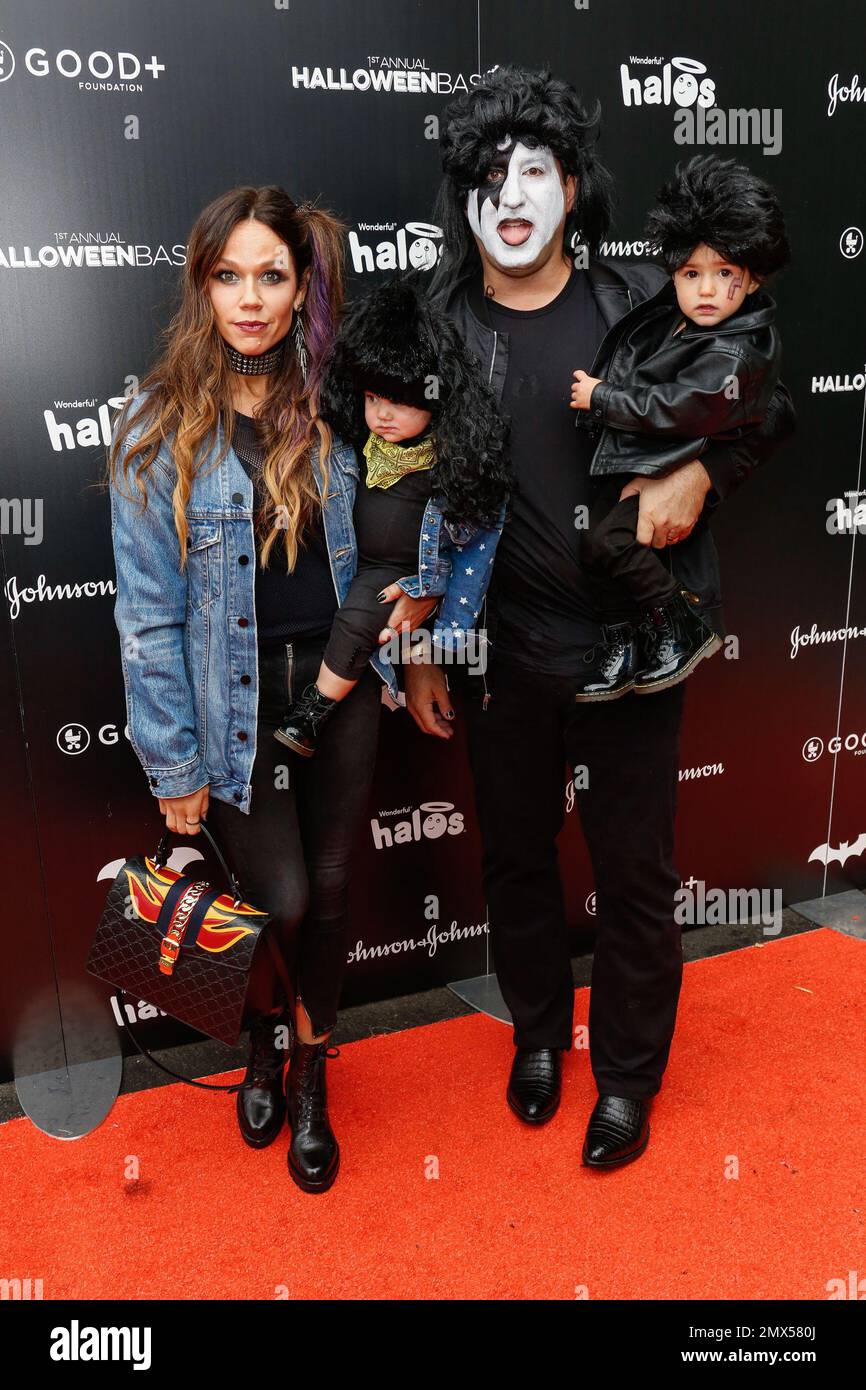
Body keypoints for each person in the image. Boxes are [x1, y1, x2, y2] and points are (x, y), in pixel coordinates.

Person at [406, 65, 795, 1168]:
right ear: (465, 198)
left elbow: (760, 406)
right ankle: (537, 1037)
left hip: (633, 649)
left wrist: (701, 480)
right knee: (517, 862)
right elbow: (411, 484)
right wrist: (432, 642)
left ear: (572, 188)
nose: (514, 194)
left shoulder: (640, 299)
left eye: (536, 171)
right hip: (500, 652)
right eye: (491, 175)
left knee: (633, 877)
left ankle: (624, 1076)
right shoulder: (435, 321)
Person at [106, 186, 436, 1193]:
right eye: (228, 275)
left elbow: (412, 524)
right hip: (229, 705)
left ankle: (305, 1067)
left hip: (337, 688)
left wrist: (419, 626)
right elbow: (147, 615)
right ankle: (259, 1031)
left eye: (271, 275)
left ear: (303, 288)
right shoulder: (157, 428)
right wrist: (172, 761)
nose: (249, 298)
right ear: (204, 286)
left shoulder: (345, 408)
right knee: (276, 896)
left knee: (331, 894)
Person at [569, 154, 790, 699]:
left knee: (609, 541)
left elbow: (762, 409)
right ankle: (627, 639)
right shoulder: (669, 305)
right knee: (599, 547)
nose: (707, 290)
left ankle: (677, 625)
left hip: (650, 476)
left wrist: (608, 401)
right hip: (545, 617)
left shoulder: (719, 332)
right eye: (692, 274)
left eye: (724, 276)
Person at [274, 274, 510, 756]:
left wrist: (443, 627)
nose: (382, 414)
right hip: (351, 568)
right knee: (354, 612)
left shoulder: (455, 461)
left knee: (359, 618)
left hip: (402, 575)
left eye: (400, 402)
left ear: (437, 399)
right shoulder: (352, 447)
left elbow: (476, 553)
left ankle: (315, 709)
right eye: (373, 398)